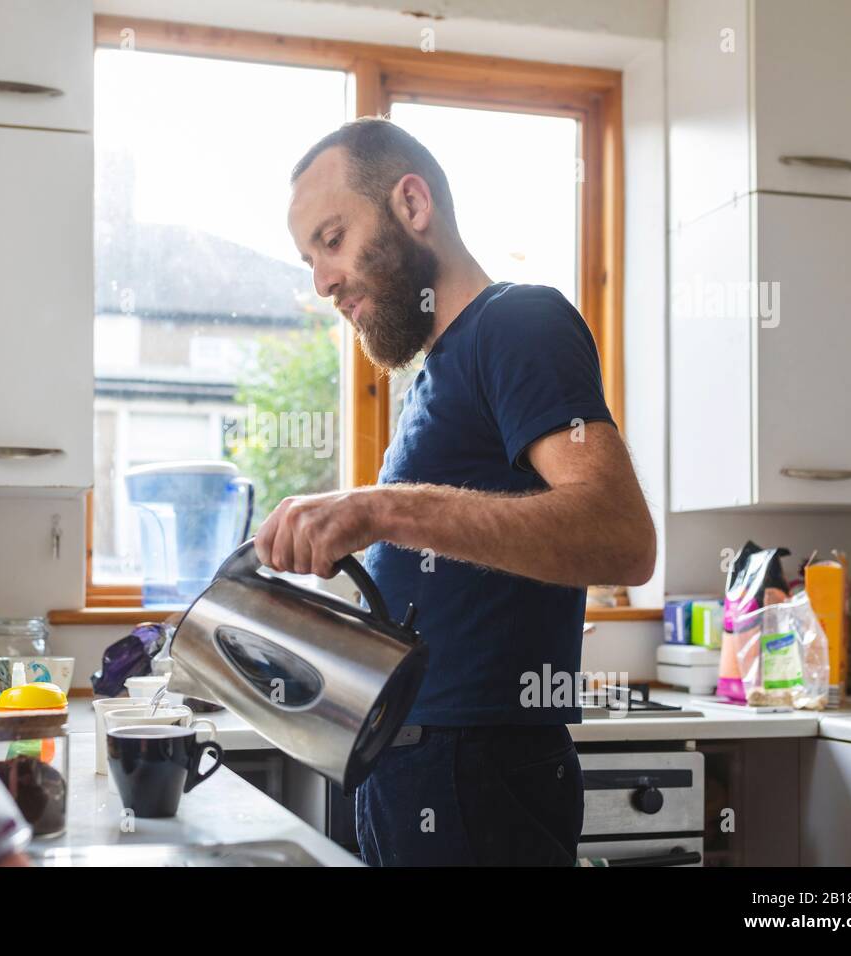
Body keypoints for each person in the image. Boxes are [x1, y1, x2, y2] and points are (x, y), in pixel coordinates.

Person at [254, 117, 656, 866]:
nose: (322, 281)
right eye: (309, 258)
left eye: (332, 239)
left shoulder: (520, 323)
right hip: (418, 773)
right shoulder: (437, 374)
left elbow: (621, 536)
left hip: (478, 778)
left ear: (412, 204)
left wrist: (376, 508)